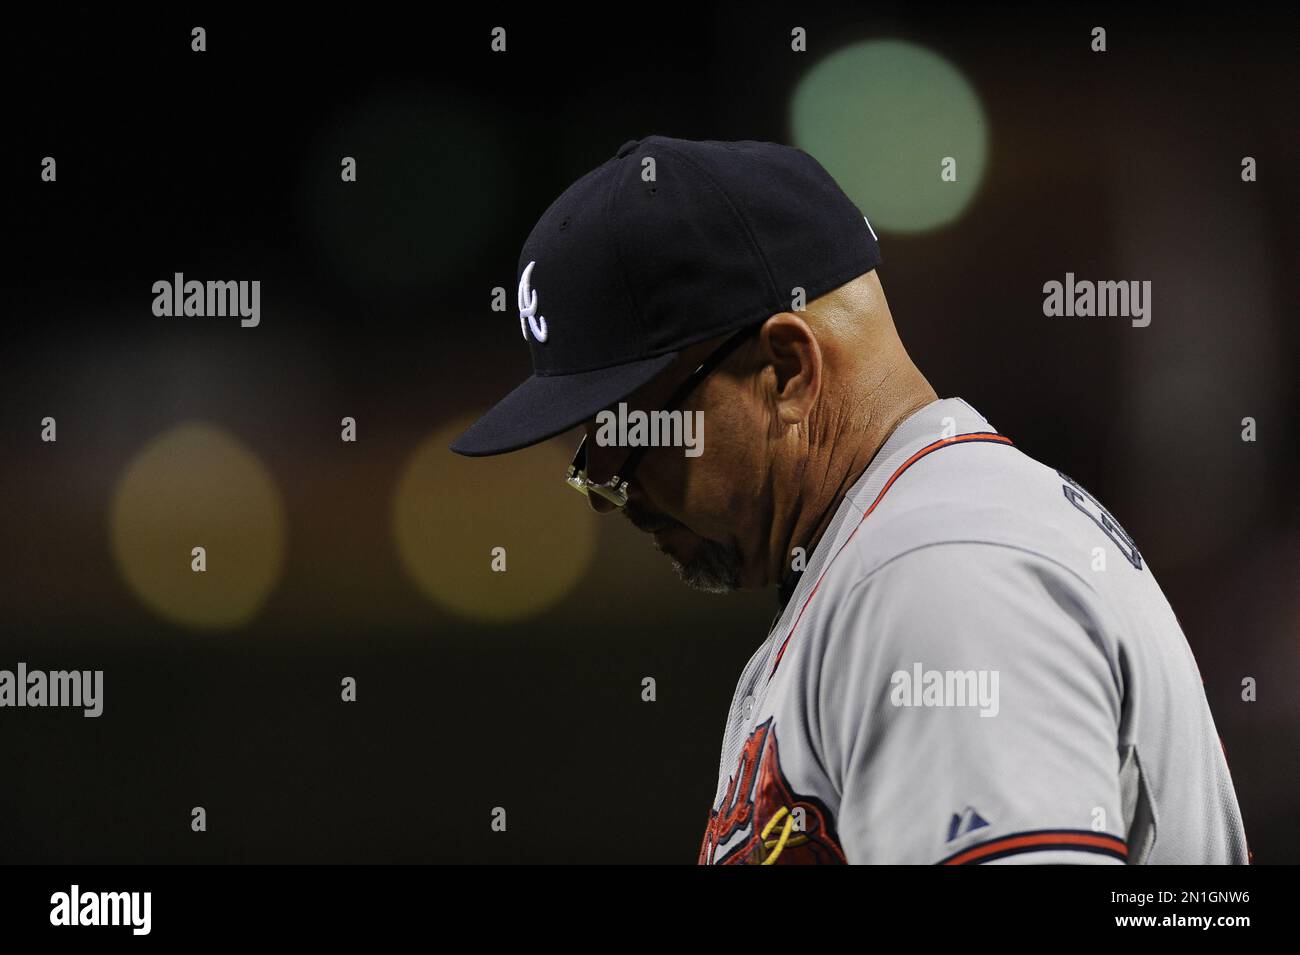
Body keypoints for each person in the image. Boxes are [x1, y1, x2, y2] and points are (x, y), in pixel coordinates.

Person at [451, 135, 1249, 865]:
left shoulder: (942, 574)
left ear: (788, 370)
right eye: (588, 457)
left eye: (627, 435)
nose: (606, 491)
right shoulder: (887, 560)